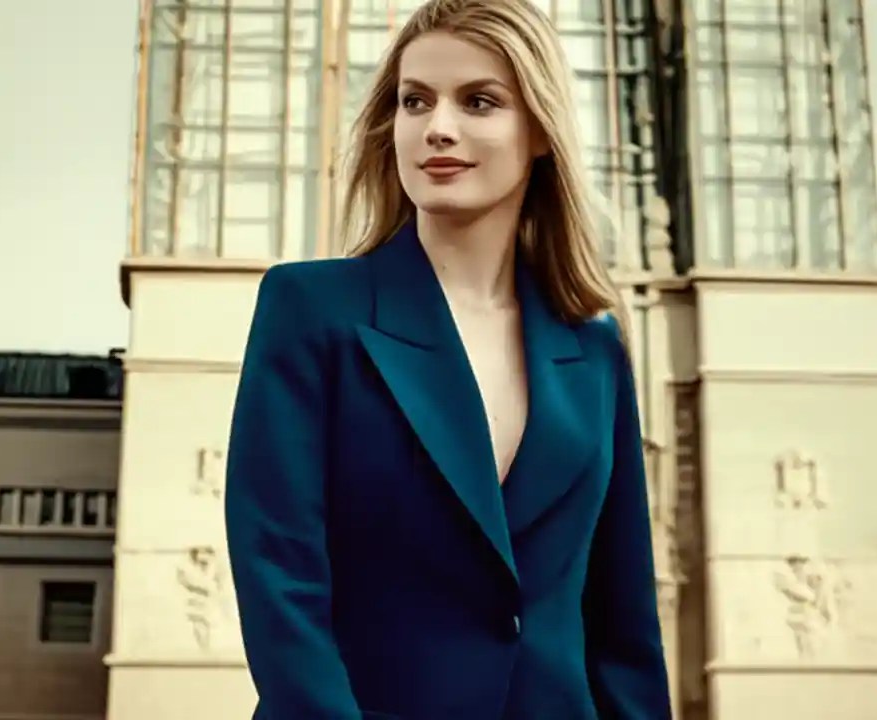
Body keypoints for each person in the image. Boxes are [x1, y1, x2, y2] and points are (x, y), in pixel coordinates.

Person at [224, 0, 671, 717]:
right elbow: (279, 576)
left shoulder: (594, 347)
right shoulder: (309, 309)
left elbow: (623, 621)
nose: (437, 126)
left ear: (541, 132)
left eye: (479, 101)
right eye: (415, 101)